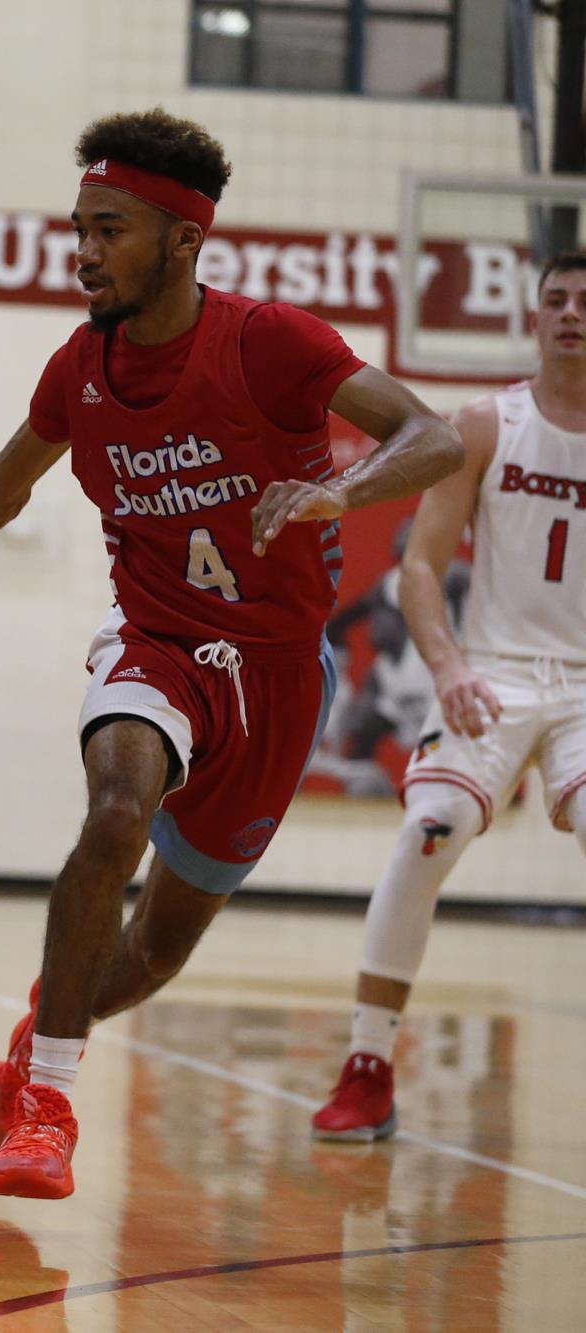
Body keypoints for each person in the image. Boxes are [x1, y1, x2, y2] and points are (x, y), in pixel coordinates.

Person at [0, 109, 464, 1201]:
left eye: (107, 229)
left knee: (148, 953)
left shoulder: (269, 342)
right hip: (154, 643)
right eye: (76, 228)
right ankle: (46, 1109)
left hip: (280, 676)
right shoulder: (78, 367)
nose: (83, 251)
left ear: (181, 241)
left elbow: (431, 434)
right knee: (112, 811)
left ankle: (37, 1032)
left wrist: (338, 488)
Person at [311, 251, 586, 1142]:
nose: (573, 313)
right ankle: (367, 1065)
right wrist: (449, 668)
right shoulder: (483, 424)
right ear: (534, 317)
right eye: (557, 299)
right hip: (490, 671)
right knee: (430, 832)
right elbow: (419, 567)